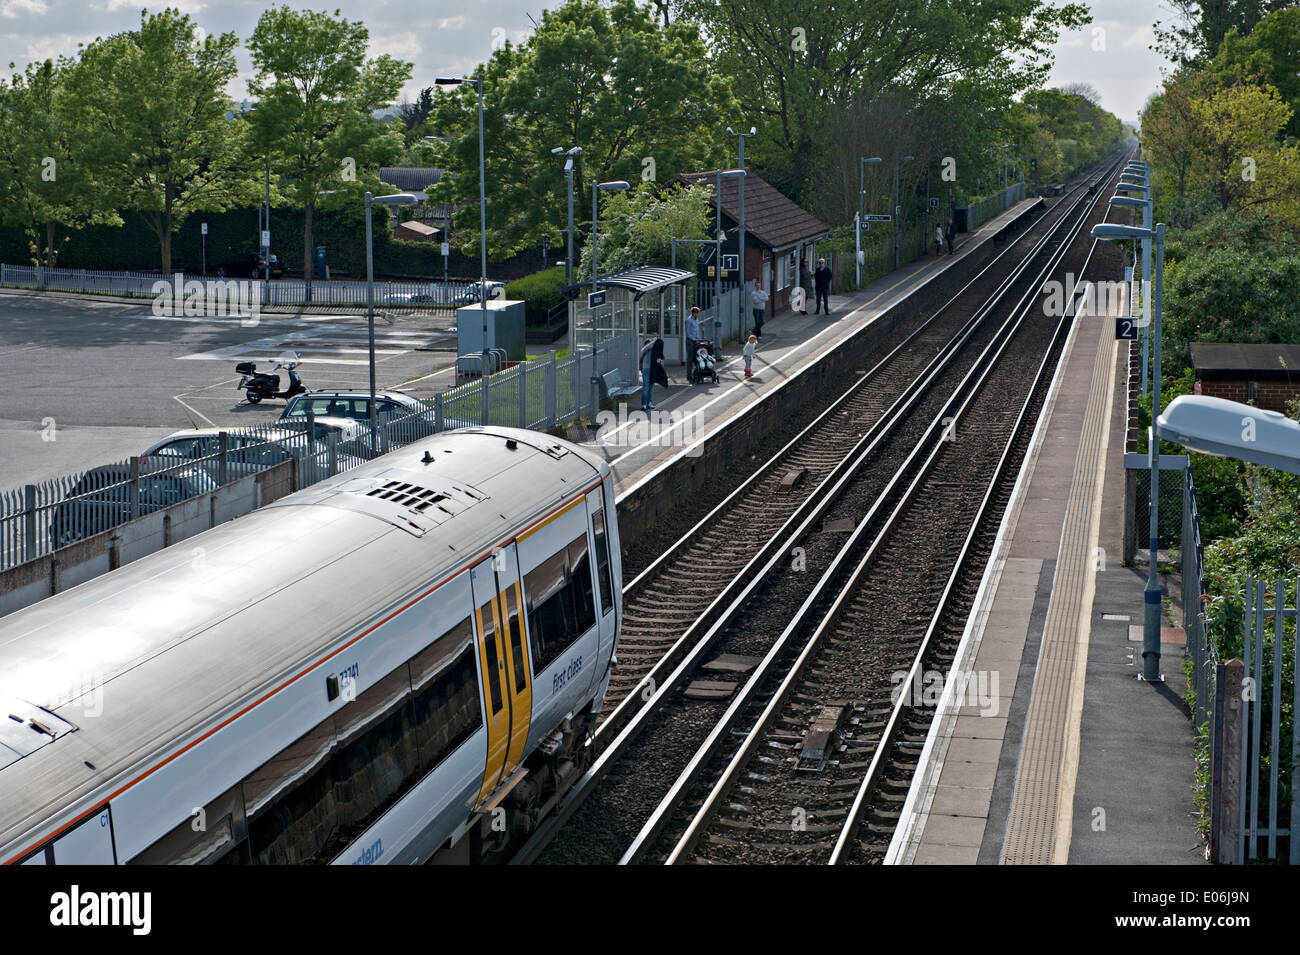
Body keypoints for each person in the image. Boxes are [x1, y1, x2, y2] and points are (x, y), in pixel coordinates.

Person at [684, 306, 702, 381]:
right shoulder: (688, 321)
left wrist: (698, 338)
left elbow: (697, 330)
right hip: (690, 341)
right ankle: (689, 375)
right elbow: (688, 332)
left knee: (697, 357)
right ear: (694, 313)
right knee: (690, 358)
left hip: (696, 340)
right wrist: (694, 339)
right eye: (697, 313)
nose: (698, 315)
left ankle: (696, 373)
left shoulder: (696, 320)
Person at [639, 337, 655, 411]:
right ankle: (644, 404)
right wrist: (653, 341)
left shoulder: (653, 352)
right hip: (646, 370)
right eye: (647, 345)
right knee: (646, 387)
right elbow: (644, 349)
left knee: (651, 387)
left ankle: (649, 402)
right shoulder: (643, 351)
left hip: (652, 370)